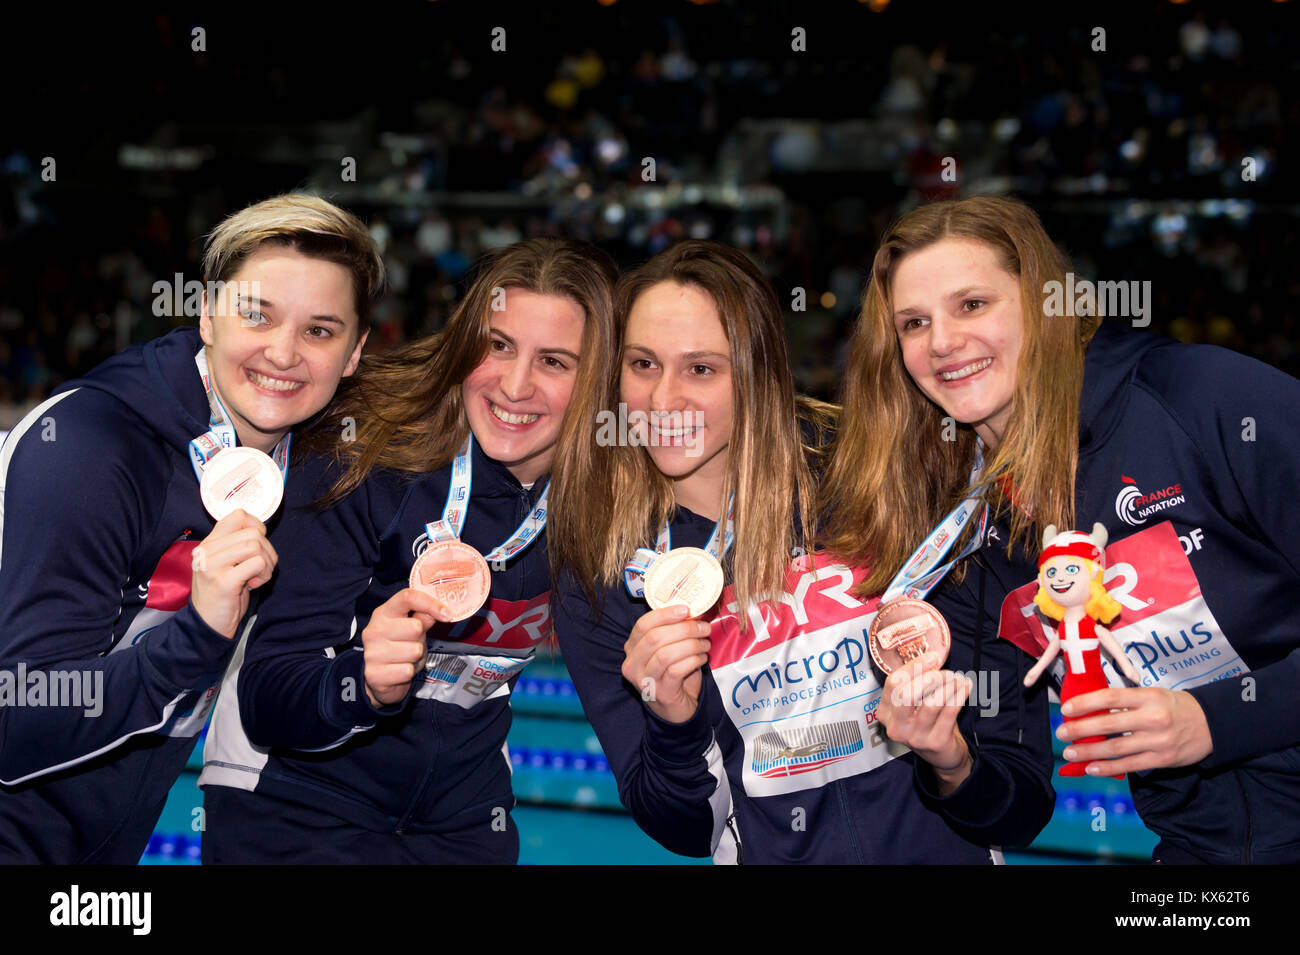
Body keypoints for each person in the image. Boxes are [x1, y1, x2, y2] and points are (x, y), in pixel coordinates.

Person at [818, 194, 1300, 865]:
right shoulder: (971, 535)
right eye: (915, 323)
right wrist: (949, 760)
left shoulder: (1201, 399)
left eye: (972, 305)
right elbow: (1018, 807)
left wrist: (1214, 721)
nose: (942, 342)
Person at [550, 239, 1053, 864]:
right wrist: (673, 722)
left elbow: (1022, 800)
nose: (663, 400)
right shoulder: (602, 568)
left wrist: (951, 763)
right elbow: (687, 832)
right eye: (644, 364)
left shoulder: (877, 480)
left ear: (757, 373)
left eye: (701, 369)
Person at [198, 237, 617, 864]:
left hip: (462, 818)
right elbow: (267, 698)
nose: (515, 385)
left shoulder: (602, 505)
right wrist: (360, 682)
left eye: (554, 361)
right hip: (293, 800)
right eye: (498, 346)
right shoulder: (365, 459)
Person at [0, 194, 382, 863]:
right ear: (206, 312)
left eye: (320, 331)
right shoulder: (91, 448)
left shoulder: (307, 464)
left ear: (354, 353)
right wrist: (196, 638)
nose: (283, 353)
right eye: (256, 314)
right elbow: (15, 720)